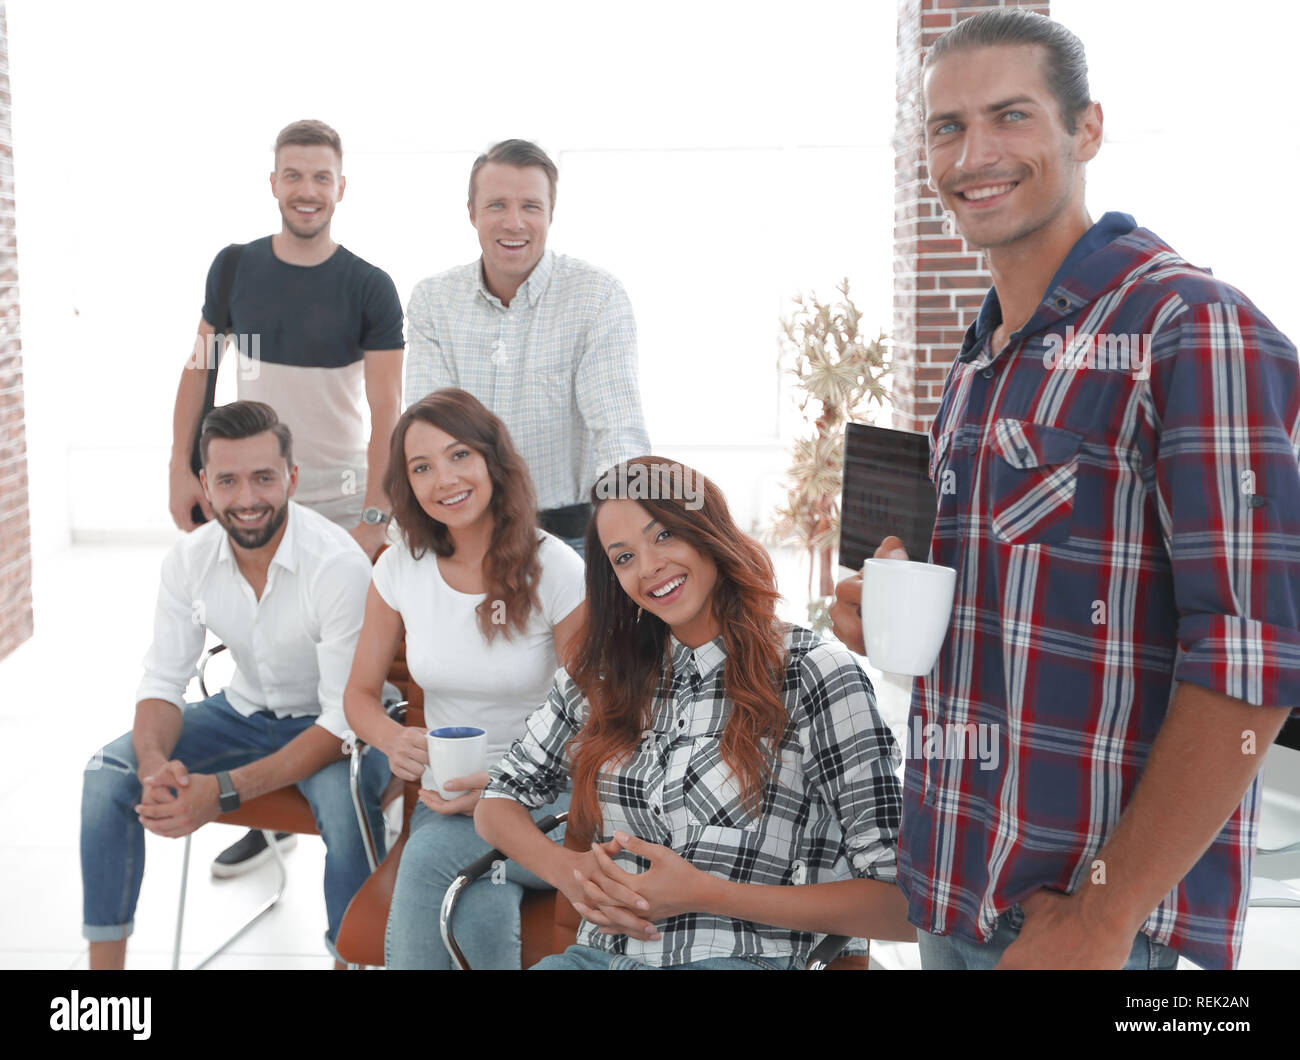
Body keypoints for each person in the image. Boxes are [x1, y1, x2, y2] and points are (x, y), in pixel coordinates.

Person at [830, 9, 1300, 970]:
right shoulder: (979, 360)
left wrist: (1102, 912)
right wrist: (885, 612)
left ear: (1086, 129)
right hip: (955, 893)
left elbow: (1254, 666)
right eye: (948, 127)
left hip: (1101, 929)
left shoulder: (1192, 328)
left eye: (1011, 116)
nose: (975, 154)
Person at [475, 457, 915, 969]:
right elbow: (498, 798)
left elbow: (901, 907)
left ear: (707, 531)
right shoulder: (599, 677)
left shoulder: (816, 674)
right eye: (623, 558)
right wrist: (566, 870)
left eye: (662, 536)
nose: (648, 568)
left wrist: (705, 893)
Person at [167, 119, 405, 875]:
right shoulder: (235, 271)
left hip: (337, 505)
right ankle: (265, 816)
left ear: (341, 188)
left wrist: (374, 515)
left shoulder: (370, 287)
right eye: (293, 176)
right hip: (250, 495)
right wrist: (182, 467)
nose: (307, 190)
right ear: (273, 183)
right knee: (263, 655)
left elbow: (389, 413)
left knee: (345, 669)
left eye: (321, 177)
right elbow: (199, 373)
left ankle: (361, 800)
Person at [81, 401, 389, 968]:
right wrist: (153, 767)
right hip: (241, 713)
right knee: (107, 775)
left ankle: (351, 960)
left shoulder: (337, 565)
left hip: (338, 728)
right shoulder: (189, 560)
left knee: (345, 806)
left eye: (264, 478)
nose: (247, 499)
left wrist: (222, 790)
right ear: (205, 484)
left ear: (292, 478)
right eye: (228, 480)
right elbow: (163, 679)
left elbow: (342, 718)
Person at [343, 388, 586, 969]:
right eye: (421, 467)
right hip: (450, 797)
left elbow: (595, 718)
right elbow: (357, 696)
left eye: (459, 456)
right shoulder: (399, 569)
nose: (443, 479)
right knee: (473, 900)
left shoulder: (556, 568)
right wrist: (390, 737)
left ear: (491, 460)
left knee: (434, 866)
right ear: (407, 486)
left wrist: (505, 787)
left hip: (555, 799)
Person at [403, 139, 650, 555]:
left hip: (572, 538)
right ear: (471, 212)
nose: (513, 222)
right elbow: (429, 429)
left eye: (530, 206)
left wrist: (631, 533)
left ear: (551, 213)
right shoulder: (434, 300)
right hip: (467, 536)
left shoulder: (596, 296)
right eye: (497, 205)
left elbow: (618, 431)